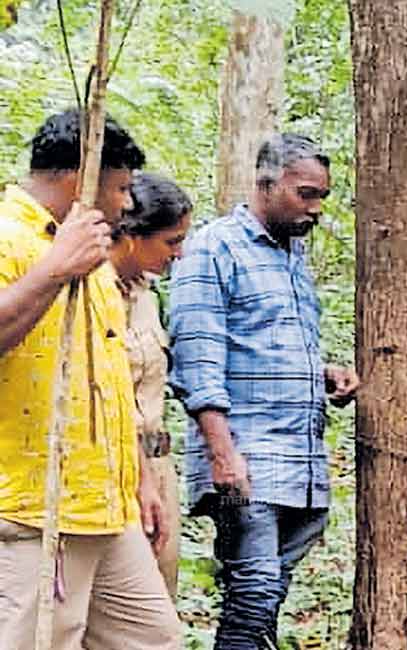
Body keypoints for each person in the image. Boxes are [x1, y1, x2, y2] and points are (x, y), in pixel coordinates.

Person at [169, 133, 360, 649]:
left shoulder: (293, 255)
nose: (316, 209)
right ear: (266, 183)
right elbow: (197, 357)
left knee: (266, 597)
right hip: (247, 456)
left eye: (322, 196)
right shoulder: (214, 247)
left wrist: (323, 371)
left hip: (300, 462)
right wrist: (223, 454)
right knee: (252, 592)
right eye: (306, 194)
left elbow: (266, 341)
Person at [0, 109, 180, 648]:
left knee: (154, 638)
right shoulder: (11, 237)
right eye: (121, 188)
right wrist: (55, 268)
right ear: (81, 180)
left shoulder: (95, 255)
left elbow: (111, 376)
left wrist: (141, 480)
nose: (127, 204)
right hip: (37, 507)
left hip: (107, 504)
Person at [112, 172, 194, 598]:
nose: (179, 254)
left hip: (158, 465)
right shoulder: (92, 295)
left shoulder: (148, 294)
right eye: (171, 241)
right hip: (115, 471)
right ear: (132, 235)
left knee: (161, 599)